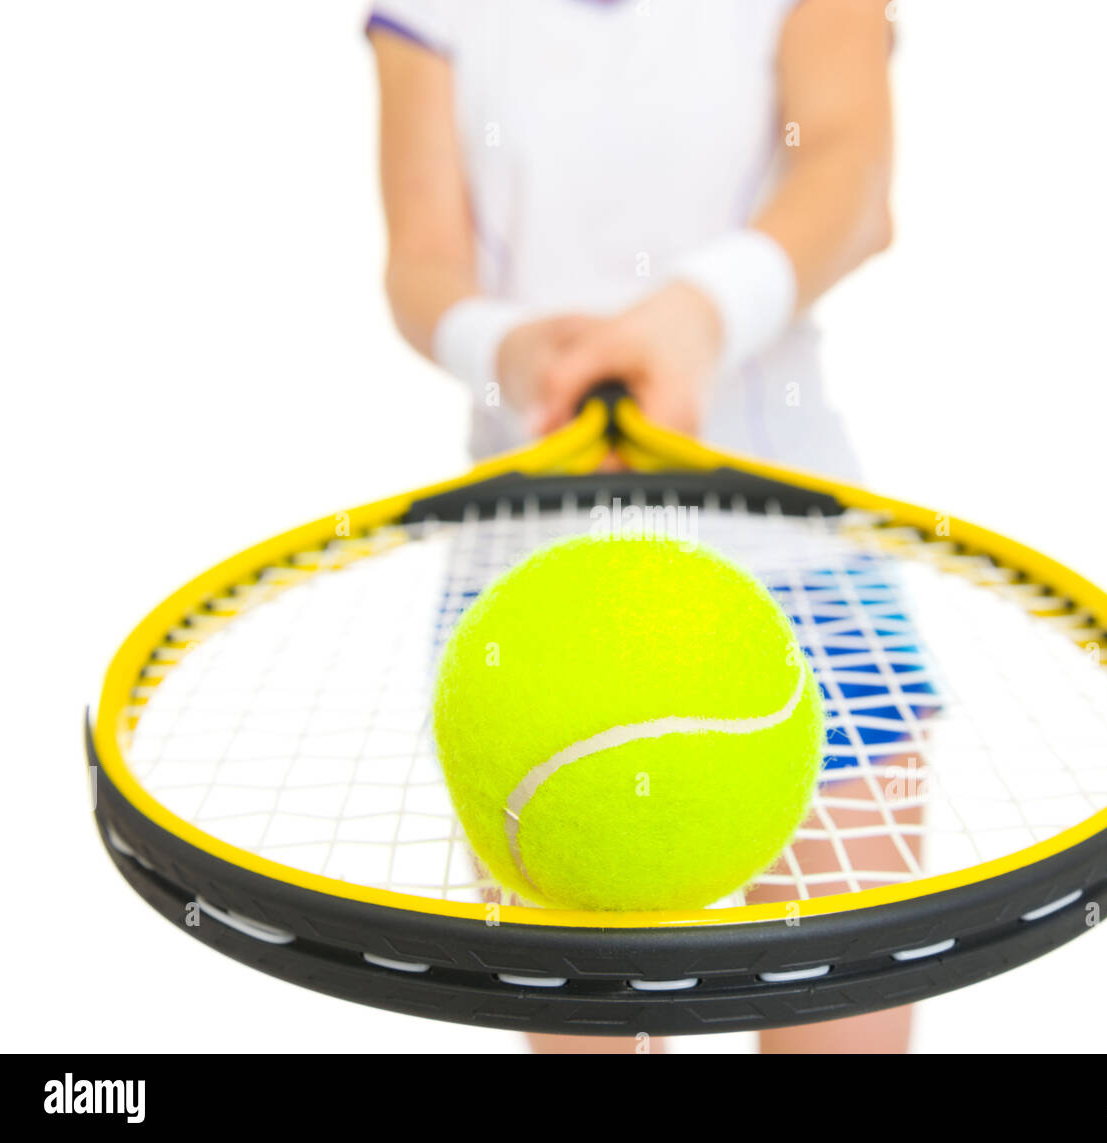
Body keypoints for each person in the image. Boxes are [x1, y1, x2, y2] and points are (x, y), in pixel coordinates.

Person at [368, 0, 903, 1053]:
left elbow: (854, 178)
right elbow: (422, 261)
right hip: (535, 596)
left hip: (798, 570)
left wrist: (698, 317)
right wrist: (516, 350)